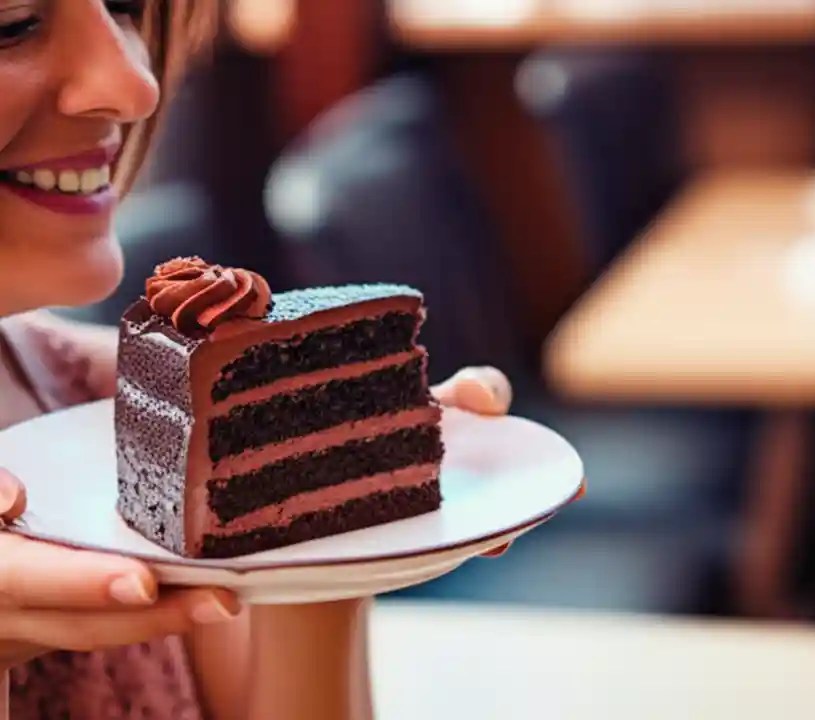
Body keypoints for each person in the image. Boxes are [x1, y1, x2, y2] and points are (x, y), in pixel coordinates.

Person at [0, 1, 519, 717]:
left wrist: (321, 533)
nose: (134, 84)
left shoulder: (96, 407)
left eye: (122, 5)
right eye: (11, 22)